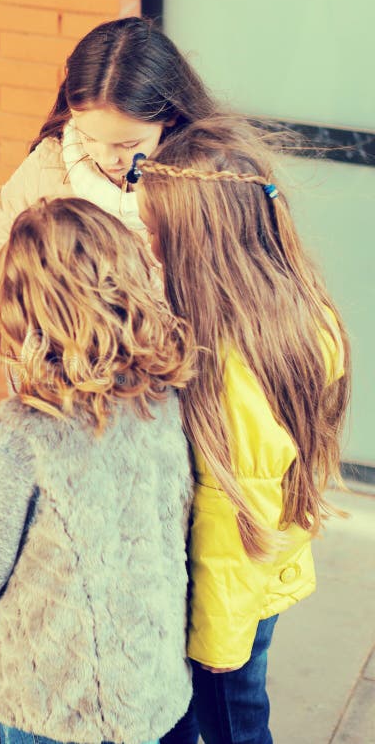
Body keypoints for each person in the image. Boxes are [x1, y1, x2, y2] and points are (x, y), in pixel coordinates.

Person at [0, 16, 217, 431]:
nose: (107, 158)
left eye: (128, 144)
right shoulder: (50, 165)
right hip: (52, 404)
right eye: (91, 137)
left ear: (169, 116)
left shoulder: (208, 185)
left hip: (166, 411)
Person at [130, 116, 350, 744]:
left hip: (226, 595)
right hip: (262, 571)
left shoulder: (229, 366)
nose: (148, 245)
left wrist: (216, 640)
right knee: (241, 704)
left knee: (231, 715)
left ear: (198, 246)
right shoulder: (300, 307)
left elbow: (235, 509)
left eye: (155, 233)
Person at [0, 198, 197, 744]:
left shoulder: (23, 428)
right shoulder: (162, 396)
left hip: (49, 691)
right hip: (149, 670)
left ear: (22, 309)